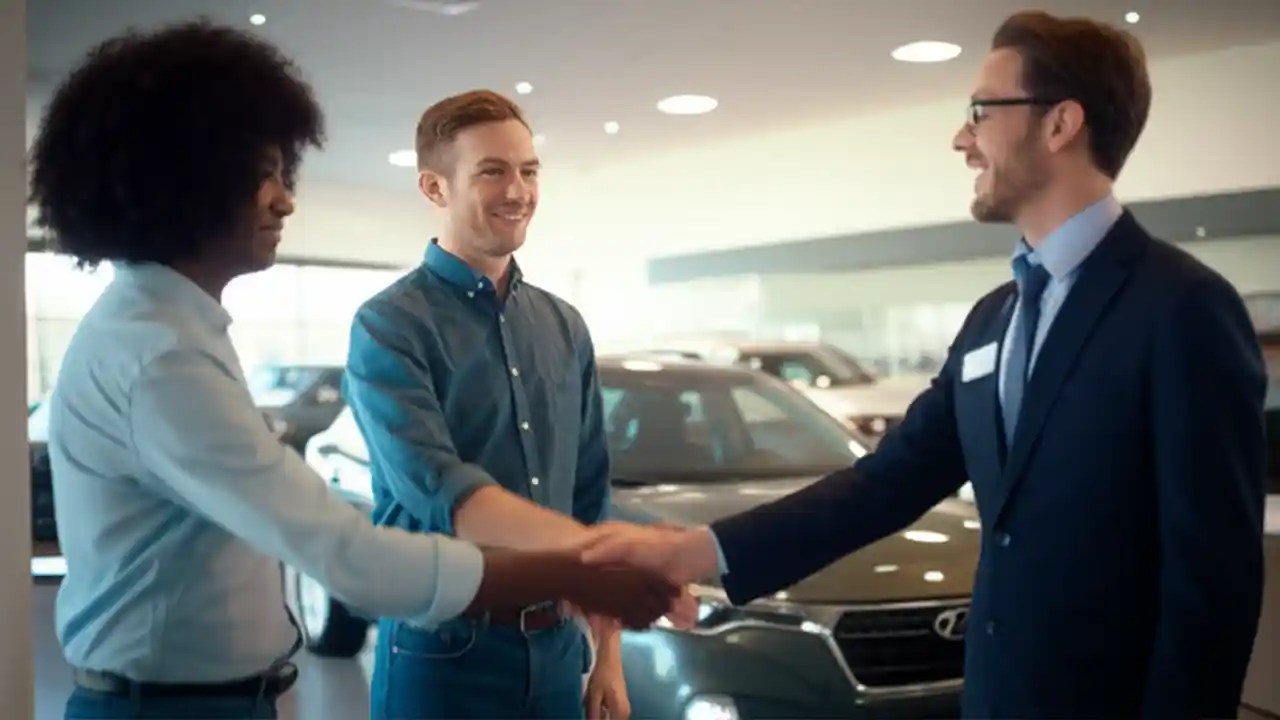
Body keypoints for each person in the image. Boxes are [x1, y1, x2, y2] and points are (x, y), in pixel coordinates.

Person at [579, 10, 1269, 719]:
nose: (962, 139)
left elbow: (1212, 582)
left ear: (1060, 123)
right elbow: (888, 483)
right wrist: (693, 552)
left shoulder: (1182, 308)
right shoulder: (993, 319)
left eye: (981, 111)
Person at [27, 22, 678, 720]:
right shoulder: (163, 356)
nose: (286, 199)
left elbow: (586, 484)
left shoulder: (171, 332)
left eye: (528, 170)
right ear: (188, 179)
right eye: (265, 174)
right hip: (208, 699)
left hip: (239, 695)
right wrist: (586, 565)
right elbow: (350, 552)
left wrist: (594, 611)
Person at [343, 89, 689, 720]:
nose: (519, 191)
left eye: (529, 171)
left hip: (558, 648)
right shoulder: (388, 326)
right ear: (434, 187)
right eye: (493, 171)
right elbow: (438, 488)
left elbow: (589, 492)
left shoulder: (564, 324)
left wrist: (606, 652)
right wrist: (613, 561)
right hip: (443, 650)